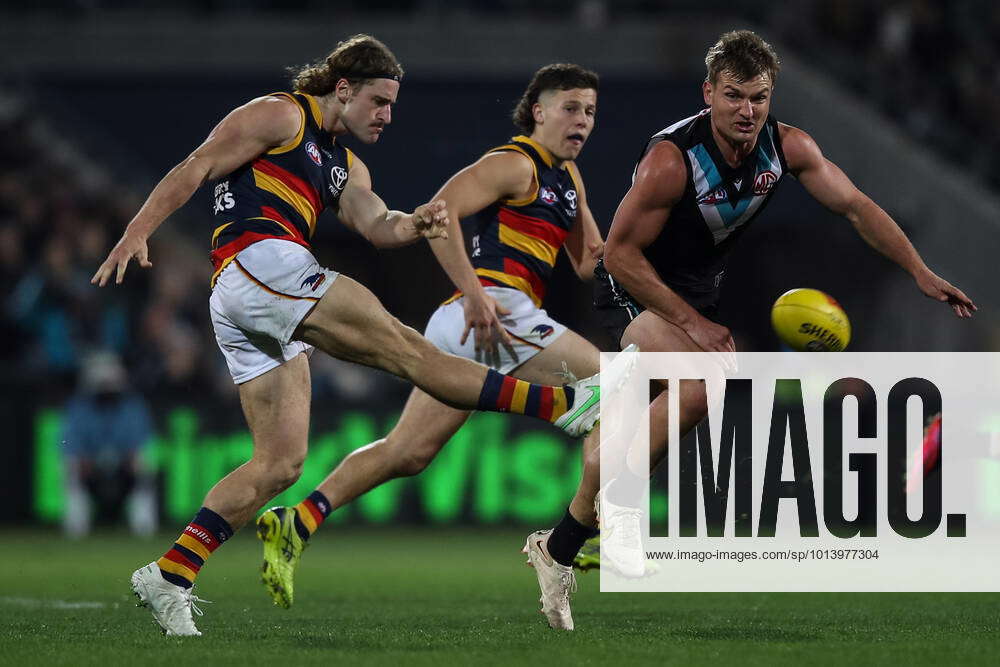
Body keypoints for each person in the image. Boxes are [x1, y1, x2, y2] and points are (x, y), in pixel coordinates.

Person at [92, 36, 614, 637]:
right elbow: (197, 165)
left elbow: (375, 223)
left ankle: (170, 574)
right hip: (260, 262)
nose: (387, 115)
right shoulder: (282, 113)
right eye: (379, 101)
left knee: (279, 463)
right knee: (409, 351)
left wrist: (414, 222)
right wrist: (138, 231)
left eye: (392, 104)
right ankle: (565, 403)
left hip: (251, 298)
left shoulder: (343, 163)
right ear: (343, 88)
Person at [256, 63, 627, 632]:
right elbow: (440, 211)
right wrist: (477, 293)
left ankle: (299, 520)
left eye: (592, 112)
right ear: (539, 111)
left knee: (408, 452)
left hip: (474, 326)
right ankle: (573, 538)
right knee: (615, 390)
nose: (583, 120)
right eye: (572, 108)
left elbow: (590, 262)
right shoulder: (515, 162)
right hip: (495, 314)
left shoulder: (566, 178)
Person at [594, 29, 976, 576]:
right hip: (633, 285)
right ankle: (620, 511)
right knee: (698, 389)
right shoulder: (672, 160)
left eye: (758, 96)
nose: (746, 110)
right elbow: (620, 255)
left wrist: (918, 270)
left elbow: (856, 207)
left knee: (676, 403)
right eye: (733, 95)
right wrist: (694, 324)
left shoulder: (789, 147)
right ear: (708, 93)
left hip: (696, 292)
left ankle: (573, 529)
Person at [61, 351, 156, 538]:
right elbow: (72, 445)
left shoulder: (133, 406)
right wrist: (84, 463)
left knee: (146, 465)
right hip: (90, 466)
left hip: (123, 467)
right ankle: (76, 528)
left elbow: (138, 447)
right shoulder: (79, 407)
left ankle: (144, 528)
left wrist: (130, 463)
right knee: (70, 467)